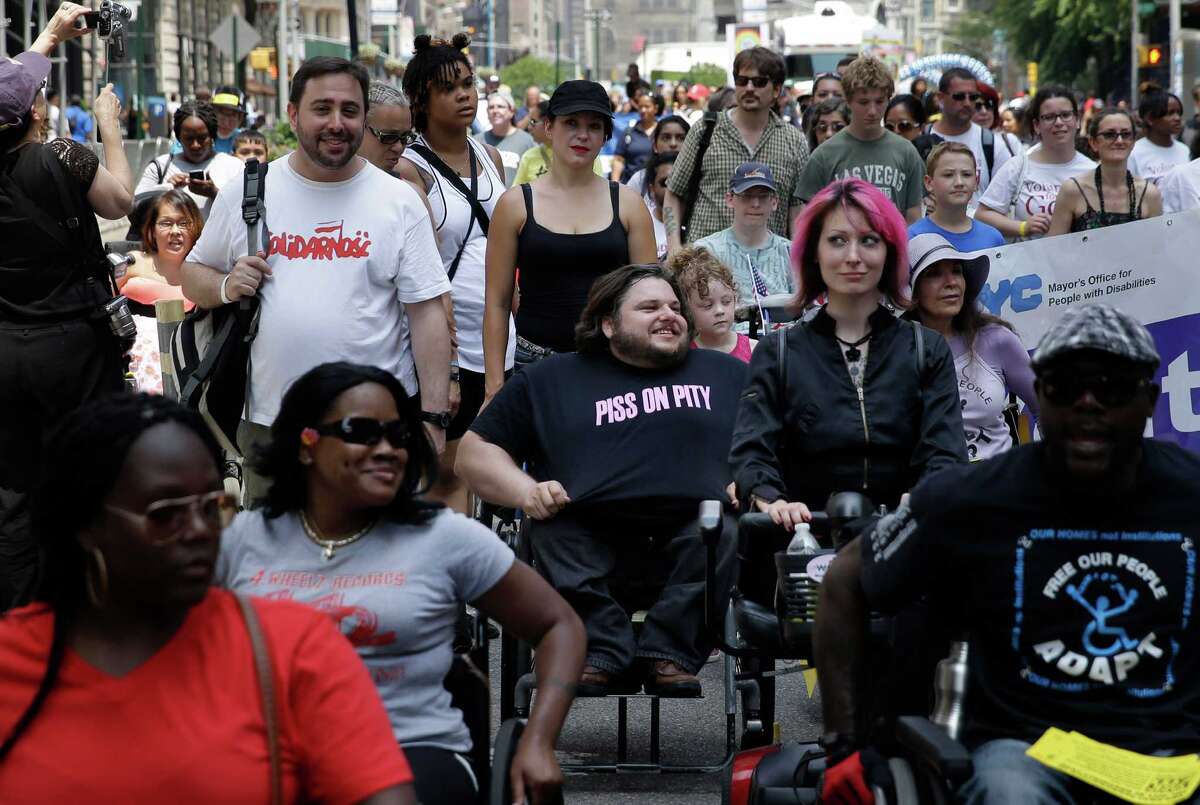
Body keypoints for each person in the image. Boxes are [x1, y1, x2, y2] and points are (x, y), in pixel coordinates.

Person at [815, 304, 1200, 805]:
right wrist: (845, 744)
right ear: (1039, 394)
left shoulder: (1191, 495)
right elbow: (844, 581)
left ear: (1148, 399)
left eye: (1111, 386)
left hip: (1169, 756)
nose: (1088, 403)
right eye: (1066, 385)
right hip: (1025, 753)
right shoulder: (973, 497)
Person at [0, 393, 417, 802]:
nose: (201, 531)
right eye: (166, 514)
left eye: (212, 507)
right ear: (86, 525)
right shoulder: (11, 662)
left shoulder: (294, 647)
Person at [216, 362, 585, 805]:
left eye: (399, 435)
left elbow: (559, 626)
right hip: (273, 751)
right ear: (305, 444)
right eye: (362, 431)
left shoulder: (444, 537)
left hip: (411, 748)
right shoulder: (244, 540)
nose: (388, 448)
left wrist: (539, 740)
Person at [458, 264, 746, 697]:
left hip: (692, 540)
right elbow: (473, 452)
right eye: (649, 306)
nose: (668, 314)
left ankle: (667, 654)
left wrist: (752, 478)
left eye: (674, 307)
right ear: (608, 324)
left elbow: (778, 442)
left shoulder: (728, 375)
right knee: (550, 524)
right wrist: (526, 491)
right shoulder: (550, 379)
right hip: (584, 541)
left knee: (725, 526)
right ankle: (599, 651)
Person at [181, 56, 453, 503]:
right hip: (272, 423)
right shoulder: (251, 190)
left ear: (364, 117)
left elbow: (427, 317)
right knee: (279, 564)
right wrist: (227, 285)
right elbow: (193, 275)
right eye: (321, 108)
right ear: (293, 114)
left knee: (375, 562)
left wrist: (433, 419)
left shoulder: (399, 201)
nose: (336, 123)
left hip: (376, 427)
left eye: (349, 110)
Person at [730, 177, 964, 538]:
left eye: (868, 240)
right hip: (803, 541)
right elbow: (752, 451)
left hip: (907, 537)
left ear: (889, 253)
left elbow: (945, 451)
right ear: (814, 253)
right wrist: (771, 499)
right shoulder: (777, 353)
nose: (853, 256)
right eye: (837, 241)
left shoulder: (926, 349)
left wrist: (922, 496)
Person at [0, 4, 135, 611]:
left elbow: (7, 94)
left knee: (13, 491)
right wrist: (108, 126)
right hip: (74, 349)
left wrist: (50, 35)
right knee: (88, 474)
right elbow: (122, 203)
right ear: (34, 110)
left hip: (6, 351)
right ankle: (85, 606)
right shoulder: (61, 156)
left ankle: (19, 619)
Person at [396, 34, 514, 514]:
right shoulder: (408, 170)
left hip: (500, 337)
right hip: (446, 344)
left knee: (491, 463)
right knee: (445, 468)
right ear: (421, 100)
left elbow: (507, 236)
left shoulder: (492, 155)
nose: (466, 95)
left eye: (468, 84)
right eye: (450, 88)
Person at [483, 80, 656, 399]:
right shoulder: (515, 204)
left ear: (606, 136)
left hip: (613, 364)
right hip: (535, 368)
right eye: (571, 123)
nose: (582, 134)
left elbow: (650, 298)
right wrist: (493, 387)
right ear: (549, 127)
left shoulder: (629, 204)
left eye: (594, 126)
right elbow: (496, 301)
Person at [904, 233, 1036, 461]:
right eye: (933, 274)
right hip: (931, 487)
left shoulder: (997, 339)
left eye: (956, 271)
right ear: (912, 293)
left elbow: (1048, 408)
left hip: (997, 483)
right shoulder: (895, 349)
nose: (951, 282)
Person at [663, 46, 809, 250]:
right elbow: (674, 193)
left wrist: (796, 259)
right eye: (742, 81)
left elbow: (796, 208)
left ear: (776, 90)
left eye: (759, 82)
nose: (749, 88)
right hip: (704, 264)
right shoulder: (706, 130)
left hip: (769, 269)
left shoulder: (793, 140)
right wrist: (674, 249)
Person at [797, 57, 926, 223]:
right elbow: (811, 220)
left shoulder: (906, 152)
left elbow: (913, 216)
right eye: (863, 102)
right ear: (848, 100)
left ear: (888, 99)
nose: (872, 111)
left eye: (879, 101)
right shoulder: (824, 155)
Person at [976, 85, 1096, 241]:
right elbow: (982, 215)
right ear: (1036, 125)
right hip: (1028, 262)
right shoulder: (1018, 167)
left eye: (1066, 115)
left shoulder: (1093, 170)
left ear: (1077, 120)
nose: (1059, 122)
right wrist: (1022, 227)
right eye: (1049, 117)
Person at [120, 190, 201, 393]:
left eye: (184, 223)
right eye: (166, 223)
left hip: (182, 372)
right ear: (151, 231)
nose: (175, 230)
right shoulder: (132, 262)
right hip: (128, 371)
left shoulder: (204, 272)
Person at [692, 161, 794, 321]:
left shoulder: (791, 252)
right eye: (746, 196)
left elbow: (806, 309)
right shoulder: (706, 251)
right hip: (726, 342)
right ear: (730, 199)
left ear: (774, 202)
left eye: (763, 196)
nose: (755, 204)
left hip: (783, 341)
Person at [911, 68, 1015, 213]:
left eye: (973, 97)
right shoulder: (920, 139)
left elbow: (1007, 202)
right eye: (959, 97)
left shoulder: (993, 144)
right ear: (940, 98)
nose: (967, 103)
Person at [1047, 107, 1162, 235]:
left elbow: (1157, 249)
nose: (1119, 141)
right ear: (1093, 142)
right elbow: (1053, 249)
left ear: (1134, 141)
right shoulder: (1072, 190)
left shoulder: (1150, 194)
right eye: (1109, 135)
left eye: (1126, 134)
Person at [134, 101, 243, 222]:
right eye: (189, 138)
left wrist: (214, 193)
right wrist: (165, 190)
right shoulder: (160, 167)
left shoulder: (234, 167)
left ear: (212, 135)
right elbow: (134, 209)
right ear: (179, 137)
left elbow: (246, 212)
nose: (195, 145)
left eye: (202, 138)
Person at [908, 142, 1005, 251]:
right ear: (929, 183)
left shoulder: (993, 239)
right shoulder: (912, 238)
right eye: (948, 175)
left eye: (966, 174)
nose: (959, 182)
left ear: (976, 181)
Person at [671, 246, 756, 362]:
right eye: (707, 305)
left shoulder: (754, 350)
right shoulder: (684, 356)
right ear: (687, 309)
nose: (720, 311)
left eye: (726, 302)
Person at [512, 100, 604, 184]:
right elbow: (517, 196)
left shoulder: (587, 156)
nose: (529, 127)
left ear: (548, 124)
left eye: (533, 121)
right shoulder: (529, 156)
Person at [625, 114, 690, 206]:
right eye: (666, 138)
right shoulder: (640, 179)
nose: (673, 144)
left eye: (680, 138)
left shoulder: (700, 179)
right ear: (655, 145)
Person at [473, 91, 535, 186]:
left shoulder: (527, 141)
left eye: (500, 107)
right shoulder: (476, 142)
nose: (495, 111)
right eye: (491, 107)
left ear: (512, 112)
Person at [1128, 90, 1190, 183]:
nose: (1177, 118)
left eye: (1178, 112)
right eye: (1170, 113)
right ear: (1150, 119)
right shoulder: (1134, 153)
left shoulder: (1184, 150)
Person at [611, 93, 659, 184]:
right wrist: (614, 185)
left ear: (655, 108)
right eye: (640, 107)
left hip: (655, 189)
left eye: (647, 106)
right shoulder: (629, 132)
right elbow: (618, 159)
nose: (643, 110)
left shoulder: (662, 132)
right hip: (630, 188)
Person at [643, 150, 676, 259]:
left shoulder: (696, 225)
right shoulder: (640, 224)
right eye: (664, 183)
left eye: (677, 183)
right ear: (651, 189)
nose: (671, 190)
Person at [211, 86, 246, 154]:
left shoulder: (245, 140)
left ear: (240, 118)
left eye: (232, 119)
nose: (226, 124)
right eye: (221, 118)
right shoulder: (199, 138)